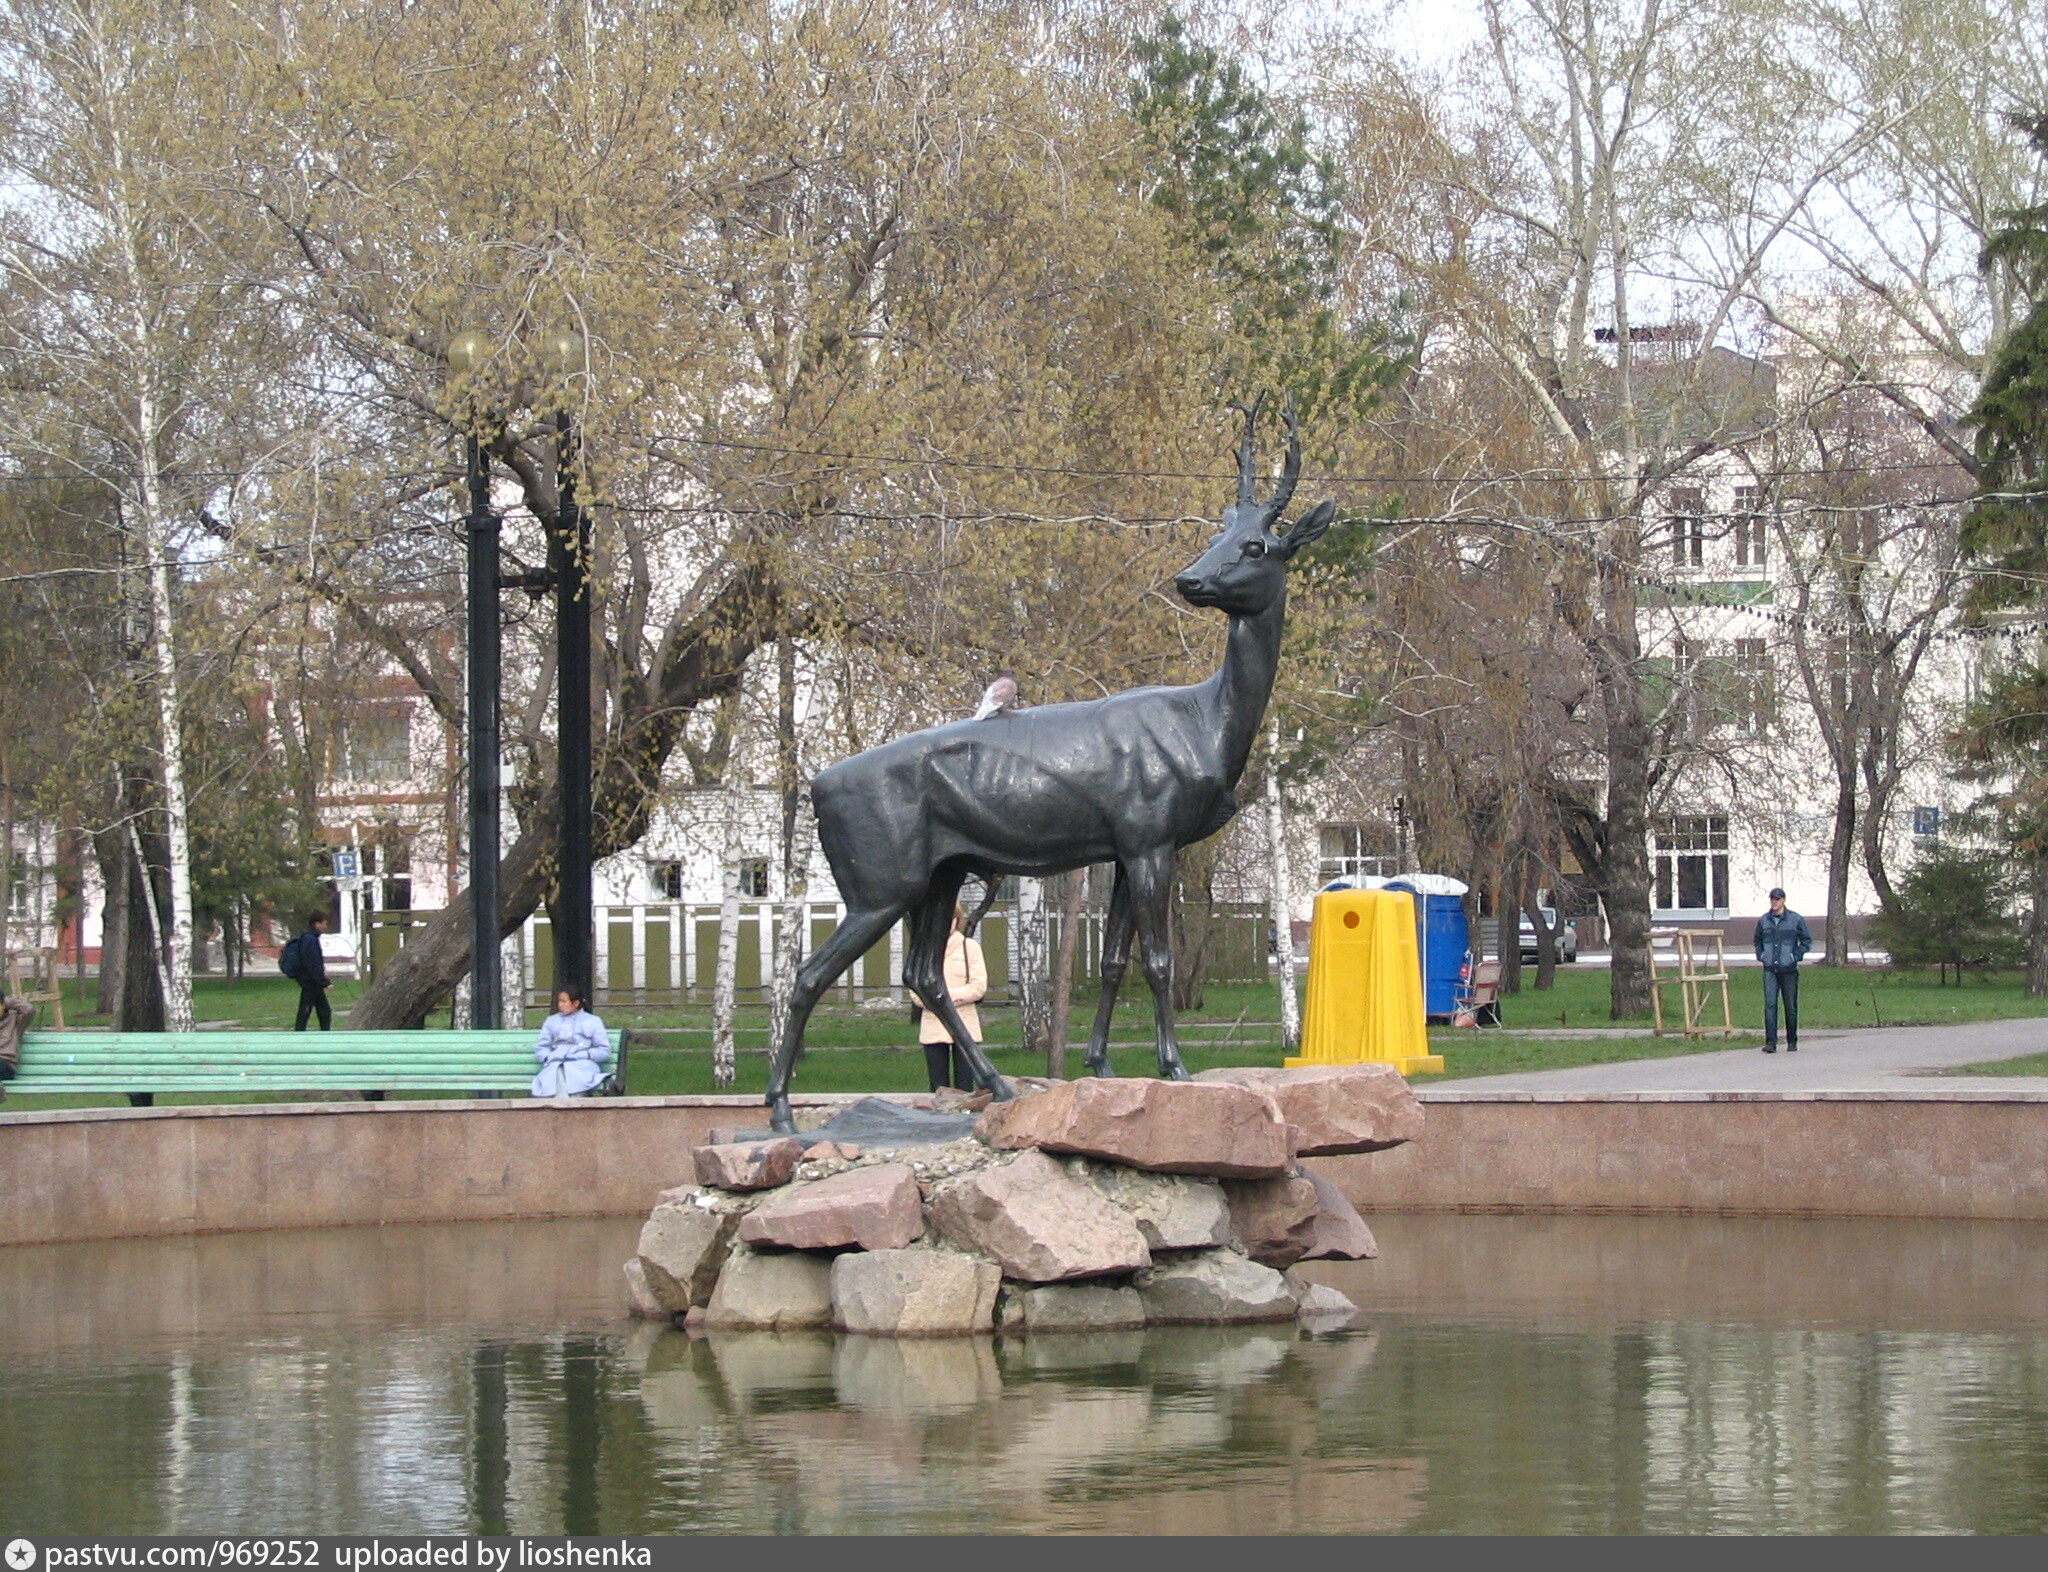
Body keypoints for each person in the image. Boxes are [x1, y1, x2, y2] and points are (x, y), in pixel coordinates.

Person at [919, 904, 988, 1091]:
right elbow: (915, 988)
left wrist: (946, 997)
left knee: (965, 1084)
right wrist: (932, 1000)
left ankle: (963, 1117)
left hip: (964, 1022)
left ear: (957, 921)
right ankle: (939, 1119)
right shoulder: (924, 948)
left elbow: (978, 986)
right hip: (934, 1023)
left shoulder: (970, 947)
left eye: (949, 919)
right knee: (938, 1084)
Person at [1753, 887, 1812, 1053]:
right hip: (1770, 969)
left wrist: (1795, 956)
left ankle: (1792, 1041)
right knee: (1770, 1005)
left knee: (1790, 1006)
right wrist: (1762, 955)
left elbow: (1806, 941)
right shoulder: (1764, 921)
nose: (1774, 902)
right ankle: (1770, 1042)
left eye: (1777, 899)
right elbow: (1757, 940)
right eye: (1772, 899)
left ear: (1783, 900)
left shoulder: (1795, 919)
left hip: (1789, 969)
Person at [531, 985, 613, 1097]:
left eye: (564, 1002)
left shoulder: (592, 1021)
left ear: (576, 1003)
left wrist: (585, 1054)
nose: (560, 1005)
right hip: (555, 1064)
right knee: (555, 1076)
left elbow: (604, 1051)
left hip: (582, 1067)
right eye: (559, 1001)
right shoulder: (551, 1021)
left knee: (574, 1081)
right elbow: (542, 1047)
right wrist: (548, 1057)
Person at [287, 911, 333, 1032]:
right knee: (308, 1009)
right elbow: (313, 963)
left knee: (322, 1009)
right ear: (317, 924)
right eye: (324, 923)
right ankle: (301, 1032)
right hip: (310, 981)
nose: (326, 926)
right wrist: (324, 981)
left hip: (310, 980)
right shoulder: (310, 939)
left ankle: (321, 1032)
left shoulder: (308, 937)